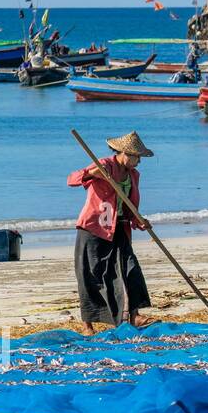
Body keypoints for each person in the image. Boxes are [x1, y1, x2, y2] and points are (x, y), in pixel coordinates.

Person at [67, 131, 156, 333]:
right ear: (125, 153)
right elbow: (71, 179)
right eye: (137, 157)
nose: (139, 161)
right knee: (90, 275)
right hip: (93, 228)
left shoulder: (133, 175)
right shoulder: (104, 165)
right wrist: (90, 174)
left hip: (119, 229)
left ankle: (135, 316)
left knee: (131, 269)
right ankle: (87, 324)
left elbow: (128, 205)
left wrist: (139, 221)